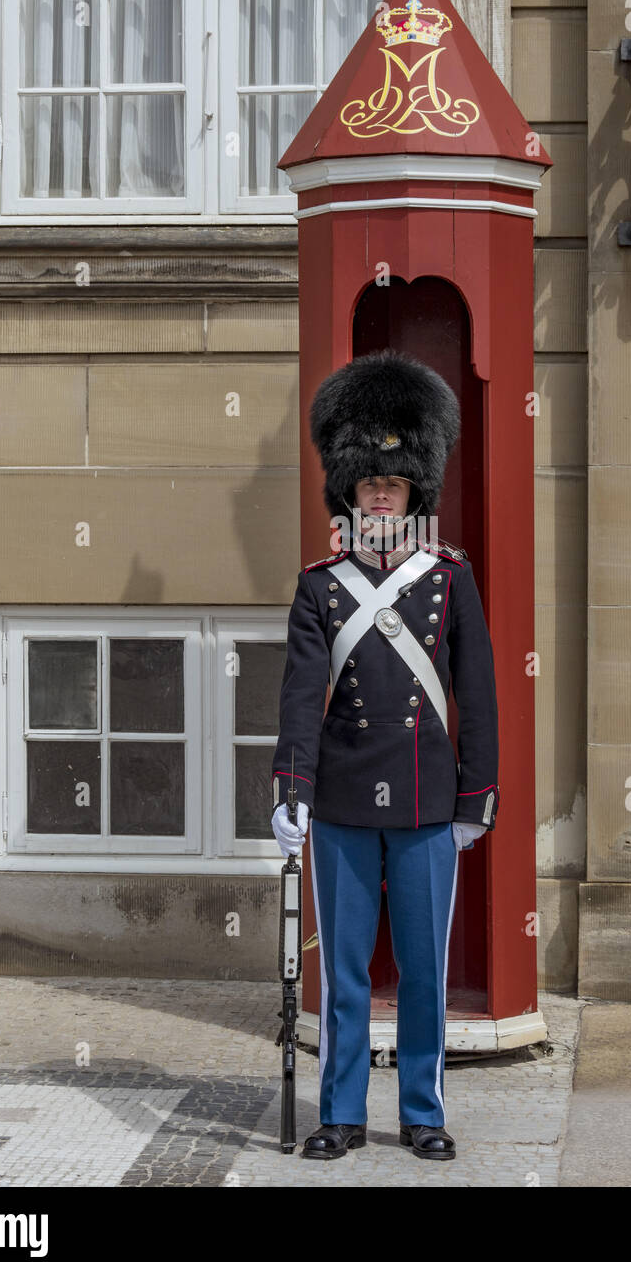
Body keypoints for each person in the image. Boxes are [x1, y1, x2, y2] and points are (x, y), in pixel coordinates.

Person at [270, 349, 500, 1161]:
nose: (378, 492)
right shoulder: (320, 586)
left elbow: (477, 688)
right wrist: (289, 787)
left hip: (425, 803)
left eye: (392, 484)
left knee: (423, 975)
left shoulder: (448, 578)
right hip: (337, 803)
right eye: (368, 482)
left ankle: (422, 1113)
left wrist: (476, 798)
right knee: (344, 980)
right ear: (349, 489)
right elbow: (302, 695)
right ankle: (339, 1114)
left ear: (412, 495)